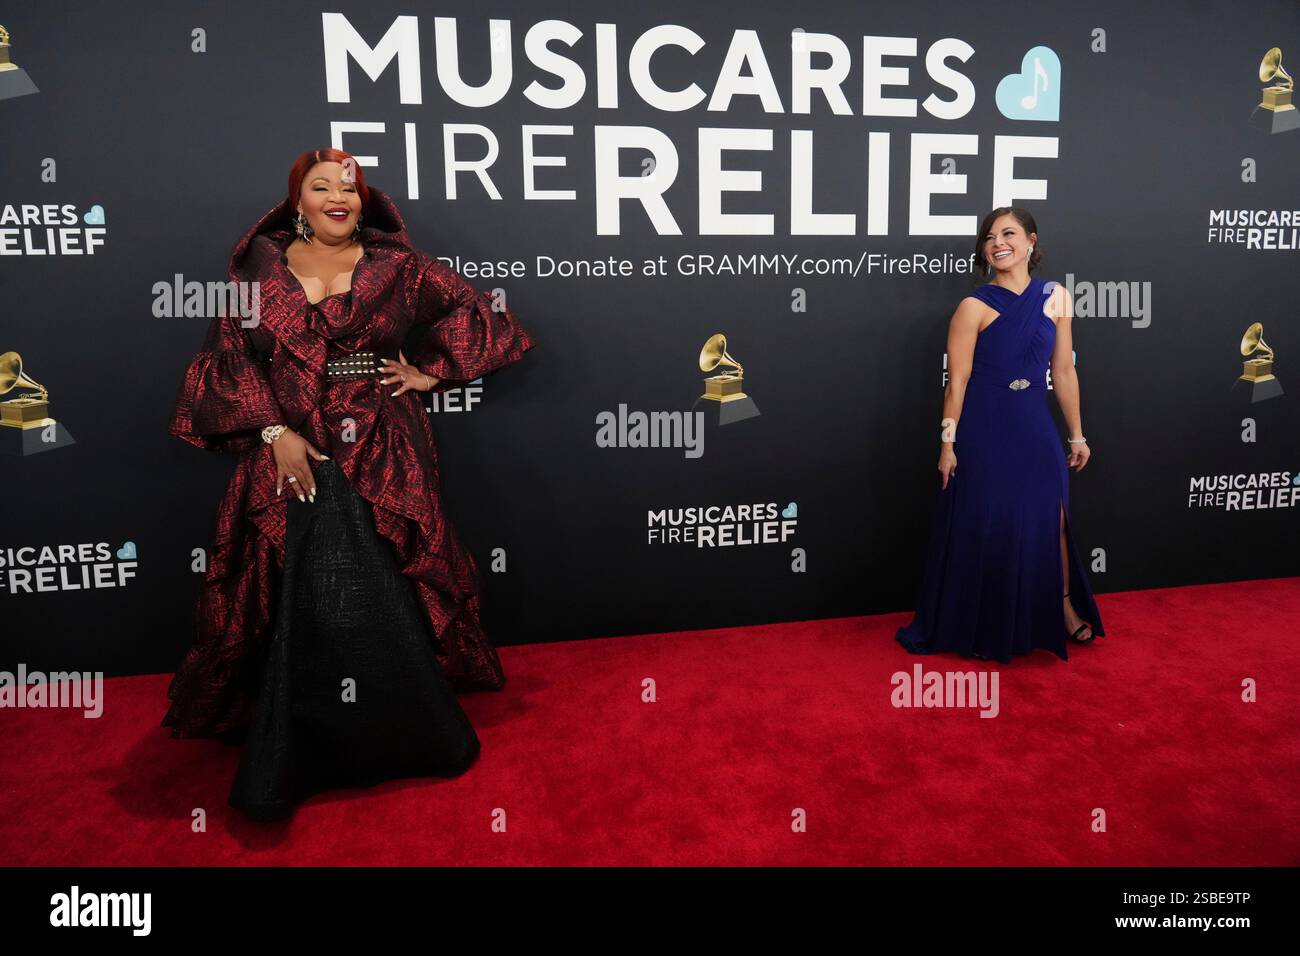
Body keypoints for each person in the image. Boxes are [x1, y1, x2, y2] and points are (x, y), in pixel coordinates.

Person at [162, 147, 536, 819]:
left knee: (374, 580)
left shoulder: (400, 269)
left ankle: (412, 732)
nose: (339, 196)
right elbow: (228, 365)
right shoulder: (257, 279)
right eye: (322, 185)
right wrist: (275, 435)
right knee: (296, 582)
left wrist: (429, 373)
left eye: (351, 187)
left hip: (382, 443)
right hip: (289, 446)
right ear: (296, 201)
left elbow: (488, 318)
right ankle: (292, 744)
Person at [896, 206, 1104, 663]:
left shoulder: (1056, 297)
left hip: (1034, 425)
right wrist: (947, 444)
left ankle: (1063, 609)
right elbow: (958, 382)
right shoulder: (973, 306)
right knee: (989, 521)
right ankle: (984, 620)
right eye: (990, 237)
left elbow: (1064, 371)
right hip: (986, 428)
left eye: (1008, 233)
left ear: (1031, 241)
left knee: (1055, 519)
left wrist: (1076, 435)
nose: (997, 243)